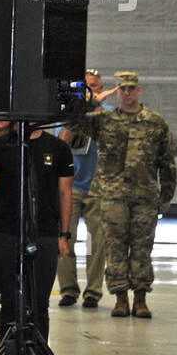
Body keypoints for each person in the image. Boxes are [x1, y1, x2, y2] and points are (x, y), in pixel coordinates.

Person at [68, 71, 176, 318]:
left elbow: (167, 161)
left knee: (142, 249)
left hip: (145, 196)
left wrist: (166, 197)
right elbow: (73, 122)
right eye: (122, 90)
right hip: (112, 196)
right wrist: (93, 101)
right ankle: (120, 298)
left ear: (138, 91)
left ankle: (140, 298)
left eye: (131, 89)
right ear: (116, 92)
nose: (127, 94)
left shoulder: (155, 122)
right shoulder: (104, 120)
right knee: (115, 248)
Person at [0, 120, 74, 355]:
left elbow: (65, 191)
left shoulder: (57, 148)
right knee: (10, 300)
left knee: (39, 303)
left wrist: (64, 234)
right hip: (7, 232)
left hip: (45, 233)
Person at [56, 69, 107, 309]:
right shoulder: (66, 117)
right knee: (66, 237)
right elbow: (62, 141)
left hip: (99, 186)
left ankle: (93, 291)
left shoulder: (108, 117)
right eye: (85, 87)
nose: (90, 91)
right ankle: (68, 289)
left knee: (98, 242)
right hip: (71, 186)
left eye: (95, 87)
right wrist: (79, 114)